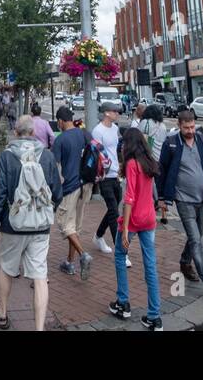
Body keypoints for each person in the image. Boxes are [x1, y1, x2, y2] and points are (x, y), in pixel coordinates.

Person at [0, 116, 63, 331]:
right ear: (33, 132)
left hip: (13, 224)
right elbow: (57, 192)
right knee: (40, 277)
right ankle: (39, 328)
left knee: (7, 269)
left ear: (16, 132)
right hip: (40, 226)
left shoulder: (6, 157)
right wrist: (46, 211)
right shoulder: (46, 156)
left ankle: (2, 313)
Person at [158, 109, 203, 302]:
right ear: (179, 125)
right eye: (186, 127)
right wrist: (161, 197)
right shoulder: (171, 143)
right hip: (183, 200)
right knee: (196, 239)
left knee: (196, 234)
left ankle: (184, 262)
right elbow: (161, 171)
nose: (190, 130)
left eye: (192, 127)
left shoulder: (202, 141)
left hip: (201, 198)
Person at [110, 126, 162, 330]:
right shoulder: (148, 163)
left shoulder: (131, 164)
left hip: (134, 220)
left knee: (120, 256)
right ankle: (154, 316)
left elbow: (129, 197)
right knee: (151, 266)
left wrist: (124, 229)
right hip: (149, 219)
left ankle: (123, 302)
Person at [52, 104, 93, 279]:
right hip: (86, 185)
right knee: (74, 226)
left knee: (64, 223)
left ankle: (83, 255)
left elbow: (55, 168)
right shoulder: (82, 133)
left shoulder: (60, 140)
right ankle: (69, 262)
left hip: (70, 186)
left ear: (60, 121)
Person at [92, 101, 124, 260]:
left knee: (113, 209)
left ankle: (98, 236)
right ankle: (121, 251)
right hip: (104, 176)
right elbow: (98, 155)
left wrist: (120, 166)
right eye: (115, 111)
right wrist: (104, 172)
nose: (117, 113)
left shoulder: (115, 128)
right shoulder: (97, 131)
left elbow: (115, 150)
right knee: (114, 212)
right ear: (106, 113)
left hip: (115, 175)